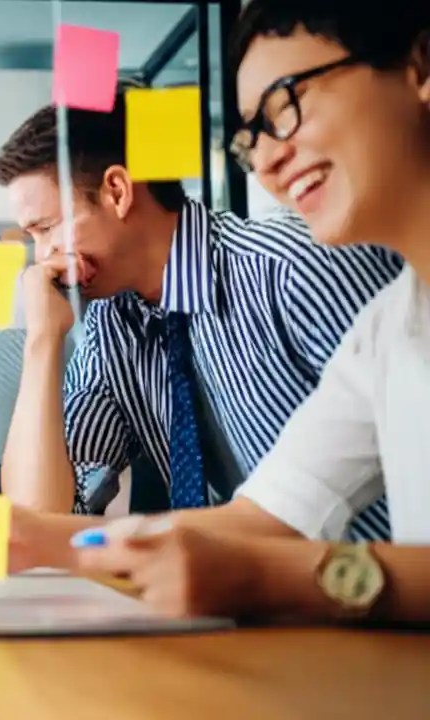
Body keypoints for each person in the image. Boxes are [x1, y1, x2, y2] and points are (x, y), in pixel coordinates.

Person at [68, 0, 430, 625]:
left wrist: (270, 578)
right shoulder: (390, 326)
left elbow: (265, 548)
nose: (265, 162)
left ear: (418, 65)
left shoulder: (293, 270)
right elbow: (265, 514)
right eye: (249, 139)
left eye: (284, 105)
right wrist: (20, 541)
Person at [0, 88, 402, 539]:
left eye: (46, 229)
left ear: (117, 191)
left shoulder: (293, 267)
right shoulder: (112, 326)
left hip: (380, 587)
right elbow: (37, 515)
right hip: (246, 596)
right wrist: (42, 342)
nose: (43, 255)